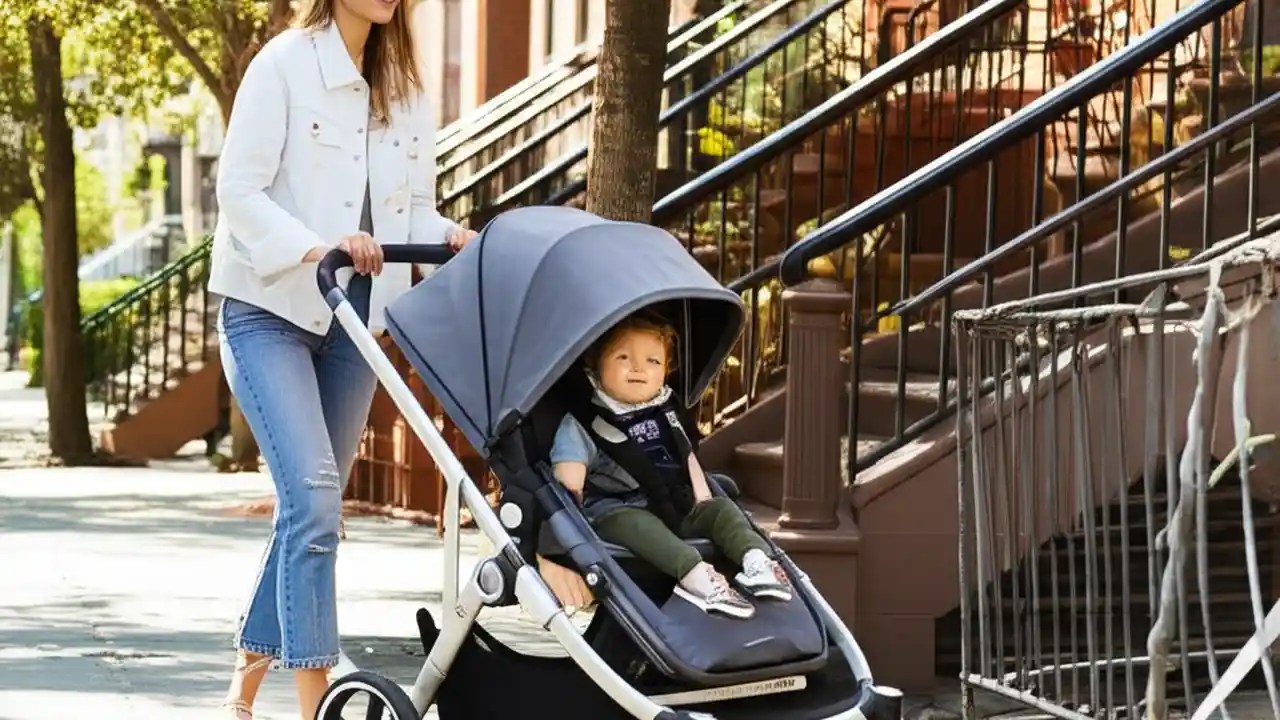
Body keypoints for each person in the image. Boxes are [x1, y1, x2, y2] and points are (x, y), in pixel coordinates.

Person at [207, 0, 476, 717]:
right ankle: (313, 703)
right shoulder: (284, 65)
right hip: (269, 310)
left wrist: (451, 233)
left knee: (311, 508)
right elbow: (238, 190)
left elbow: (410, 210)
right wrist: (319, 243)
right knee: (317, 500)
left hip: (356, 319)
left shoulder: (407, 88)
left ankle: (246, 668)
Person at [549, 312, 793, 620]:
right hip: (616, 509)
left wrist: (703, 499)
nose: (639, 368)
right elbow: (569, 477)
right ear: (596, 365)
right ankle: (697, 578)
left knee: (722, 510)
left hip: (674, 505)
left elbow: (686, 454)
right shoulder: (585, 422)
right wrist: (571, 506)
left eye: (653, 361)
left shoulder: (667, 411)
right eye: (624, 357)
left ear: (666, 369)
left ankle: (757, 560)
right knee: (641, 525)